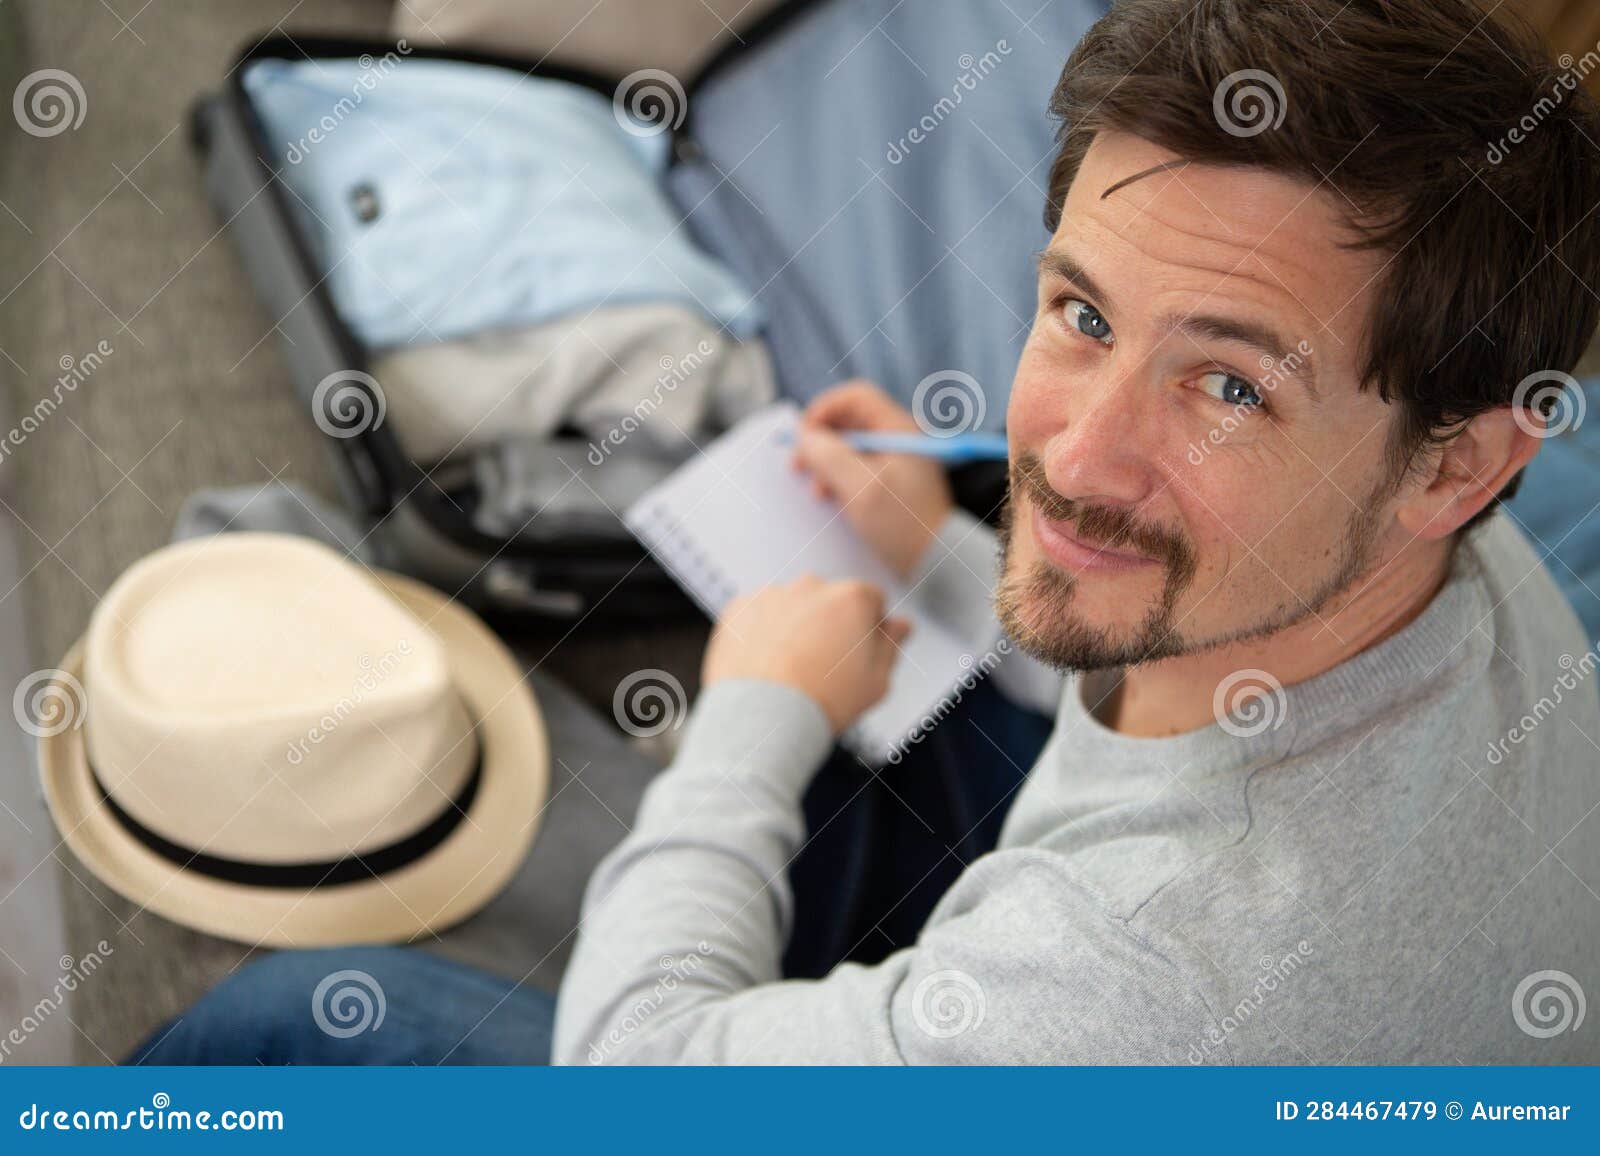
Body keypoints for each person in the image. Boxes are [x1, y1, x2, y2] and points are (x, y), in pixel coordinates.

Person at [135, 0, 1600, 1065]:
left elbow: (632, 1076)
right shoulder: (1461, 551)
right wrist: (942, 559)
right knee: (881, 706)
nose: (1070, 460)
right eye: (1082, 314)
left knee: (291, 1019)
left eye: (1229, 385)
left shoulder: (1138, 980)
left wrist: (750, 722)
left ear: (1454, 464)